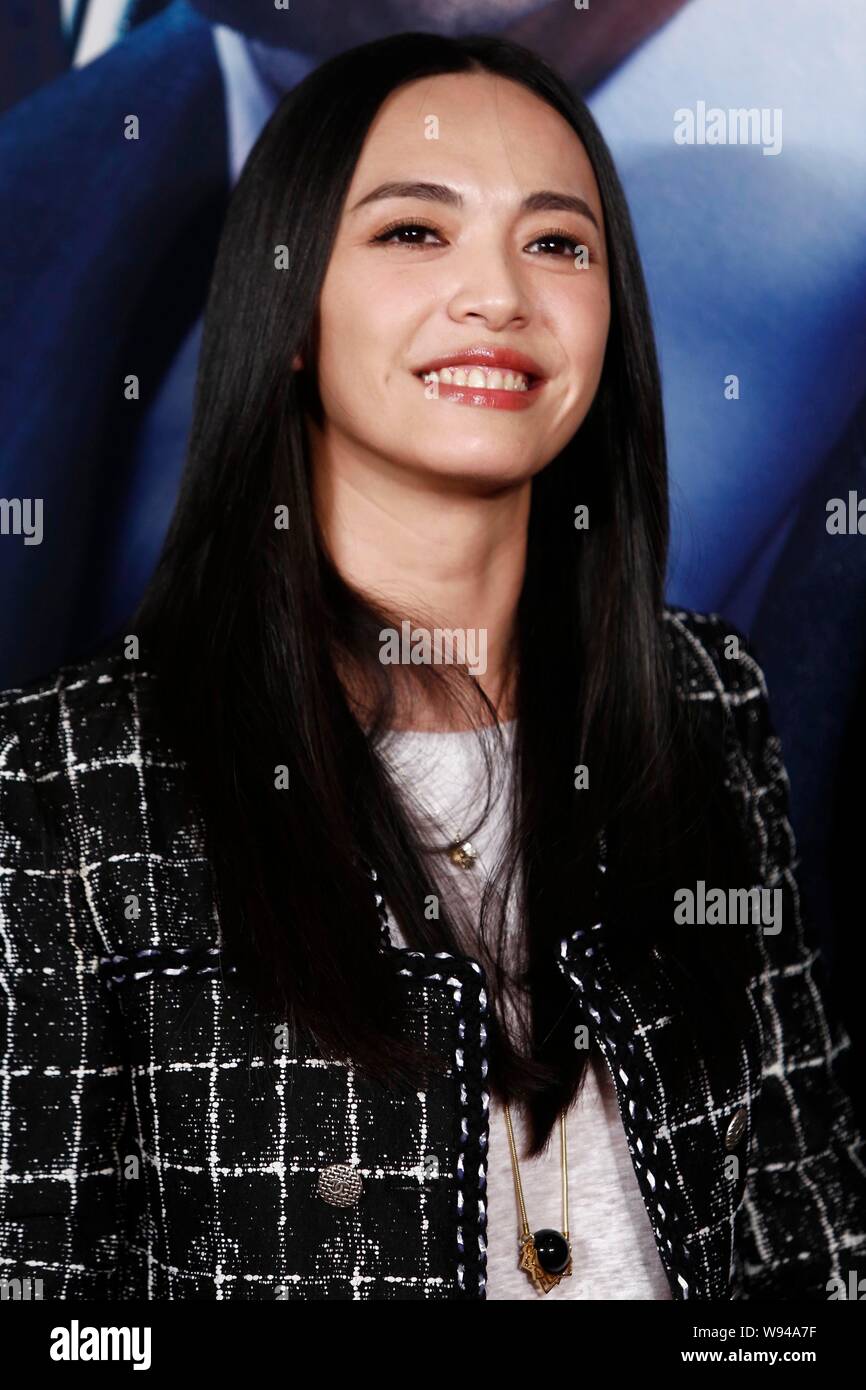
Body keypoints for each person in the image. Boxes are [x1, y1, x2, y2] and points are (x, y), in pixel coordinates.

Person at [0, 31, 863, 1302]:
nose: (498, 295)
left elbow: (809, 1237)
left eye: (557, 243)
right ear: (288, 314)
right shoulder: (72, 776)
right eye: (414, 231)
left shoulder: (701, 708)